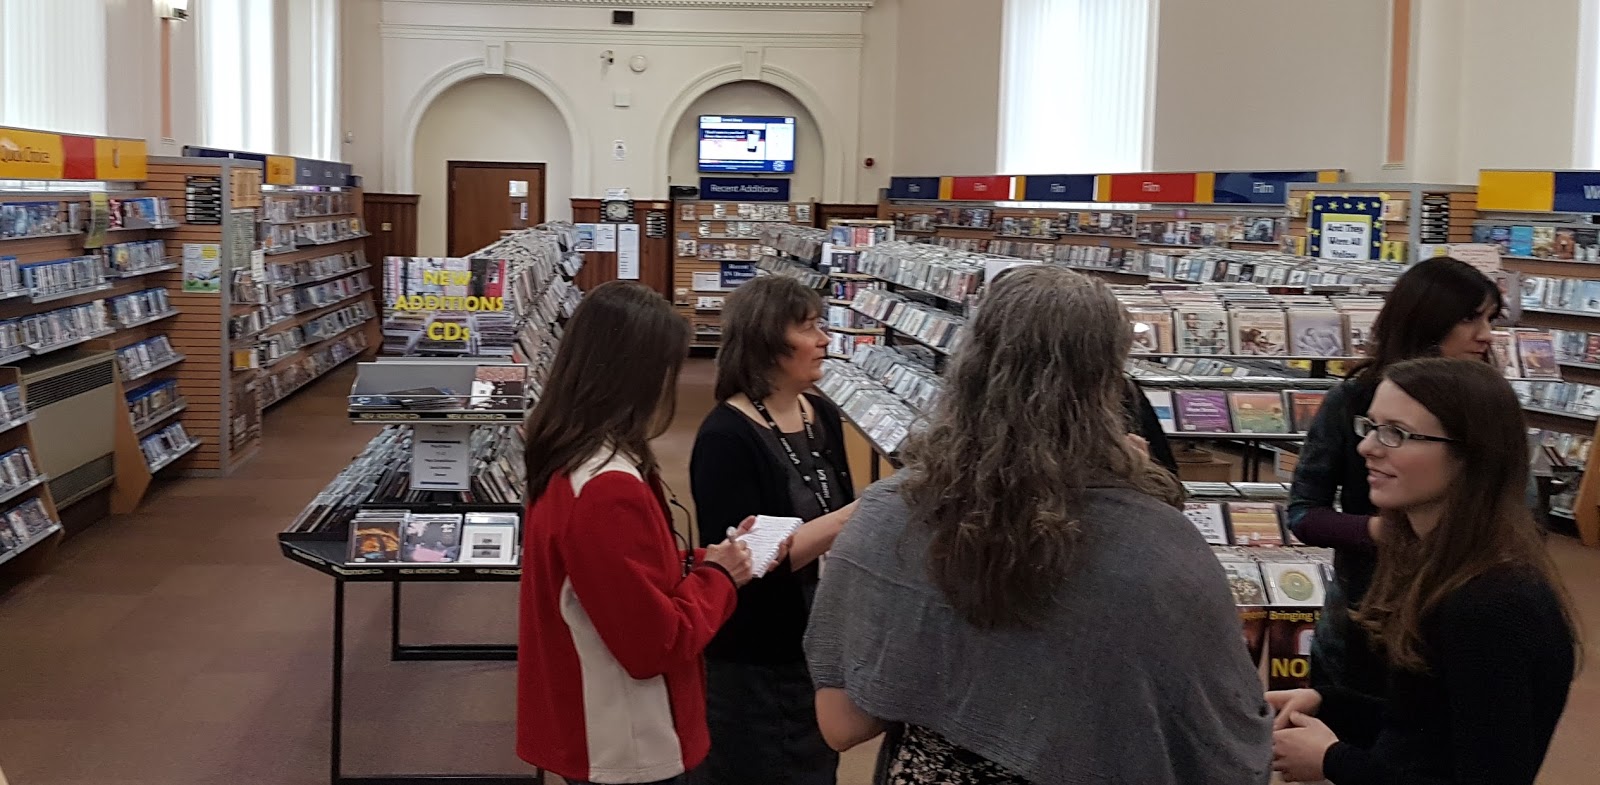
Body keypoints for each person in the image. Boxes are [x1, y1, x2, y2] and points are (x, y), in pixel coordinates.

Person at [804, 265, 1272, 785]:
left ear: (970, 361)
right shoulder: (1157, 543)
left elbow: (842, 723)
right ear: (1107, 380)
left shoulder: (891, 513)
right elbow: (1221, 741)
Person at [1268, 358, 1578, 783]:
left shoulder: (1489, 604)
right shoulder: (1440, 567)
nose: (1366, 447)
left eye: (1396, 433)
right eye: (1370, 426)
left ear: (1469, 454)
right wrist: (1330, 704)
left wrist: (1333, 761)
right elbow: (1428, 725)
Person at [517, 281, 763, 785]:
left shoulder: (567, 455)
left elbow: (613, 579)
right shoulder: (606, 487)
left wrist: (705, 560)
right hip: (629, 735)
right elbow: (654, 643)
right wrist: (719, 578)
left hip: (595, 718)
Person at [1287, 256, 1502, 704]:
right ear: (1427, 319)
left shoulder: (1489, 408)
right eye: (1470, 318)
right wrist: (1383, 531)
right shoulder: (1351, 400)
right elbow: (1304, 513)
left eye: (1490, 318)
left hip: (1456, 611)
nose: (1485, 334)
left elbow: (1521, 512)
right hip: (1360, 618)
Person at [688, 275, 859, 785]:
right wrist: (856, 516)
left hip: (820, 646)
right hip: (759, 660)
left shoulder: (820, 413)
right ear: (766, 340)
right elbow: (747, 566)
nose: (824, 339)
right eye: (808, 328)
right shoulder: (725, 437)